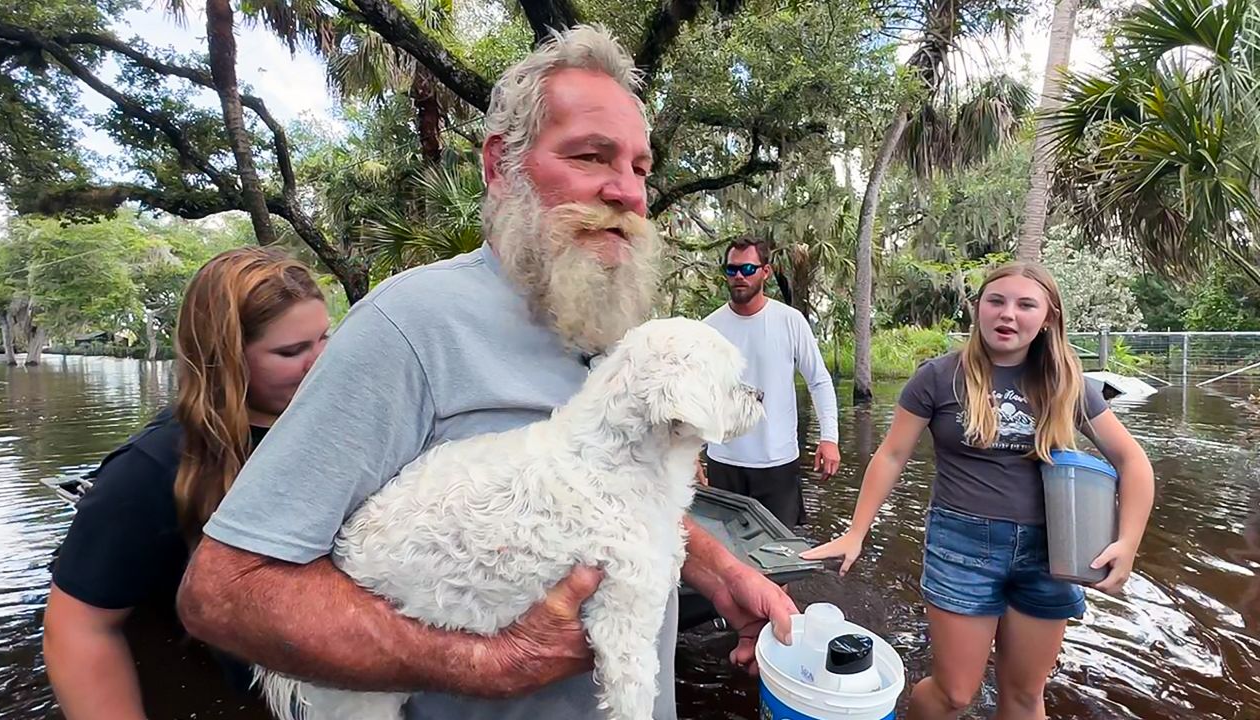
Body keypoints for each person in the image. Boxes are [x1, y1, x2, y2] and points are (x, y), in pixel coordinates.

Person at [176, 24, 796, 720]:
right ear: (501, 164)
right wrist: (489, 663)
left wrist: (717, 570)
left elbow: (618, 494)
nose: (627, 191)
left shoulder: (614, 328)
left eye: (641, 168)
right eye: (592, 155)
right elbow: (226, 590)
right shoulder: (409, 327)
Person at [801, 261, 1155, 720]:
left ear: (1048, 317)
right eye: (997, 301)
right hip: (961, 544)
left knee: (1026, 697)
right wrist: (856, 531)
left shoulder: (1068, 384)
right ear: (978, 309)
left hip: (1052, 552)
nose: (1008, 314)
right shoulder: (937, 377)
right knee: (955, 695)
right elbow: (891, 455)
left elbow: (1133, 462)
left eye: (1026, 305)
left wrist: (1127, 543)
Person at [43, 247, 331, 720]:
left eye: (324, 339)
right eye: (291, 351)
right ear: (226, 359)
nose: (320, 364)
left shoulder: (341, 432)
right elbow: (77, 629)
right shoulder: (151, 469)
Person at [697, 236, 840, 528]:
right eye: (731, 269)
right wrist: (689, 454)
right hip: (724, 462)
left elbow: (819, 380)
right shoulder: (708, 329)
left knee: (780, 556)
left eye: (748, 269)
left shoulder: (790, 321)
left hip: (778, 463)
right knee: (726, 558)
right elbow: (697, 396)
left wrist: (830, 438)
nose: (739, 276)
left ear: (766, 271)